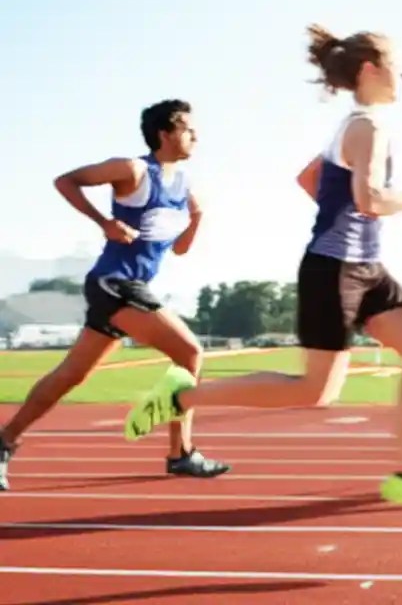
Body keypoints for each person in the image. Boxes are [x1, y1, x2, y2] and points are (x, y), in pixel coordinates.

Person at [122, 24, 402, 513]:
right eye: (399, 66)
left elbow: (311, 178)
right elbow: (369, 199)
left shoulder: (357, 126)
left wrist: (342, 214)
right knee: (316, 391)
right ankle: (183, 395)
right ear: (371, 69)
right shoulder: (367, 126)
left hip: (364, 264)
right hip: (333, 268)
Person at [0, 100, 230, 492]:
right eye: (189, 128)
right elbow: (65, 180)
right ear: (166, 132)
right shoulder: (134, 169)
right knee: (190, 352)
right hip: (114, 282)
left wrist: (198, 218)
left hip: (133, 285)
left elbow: (178, 250)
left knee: (71, 375)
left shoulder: (184, 185)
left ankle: (4, 440)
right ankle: (181, 453)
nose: (196, 136)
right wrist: (104, 222)